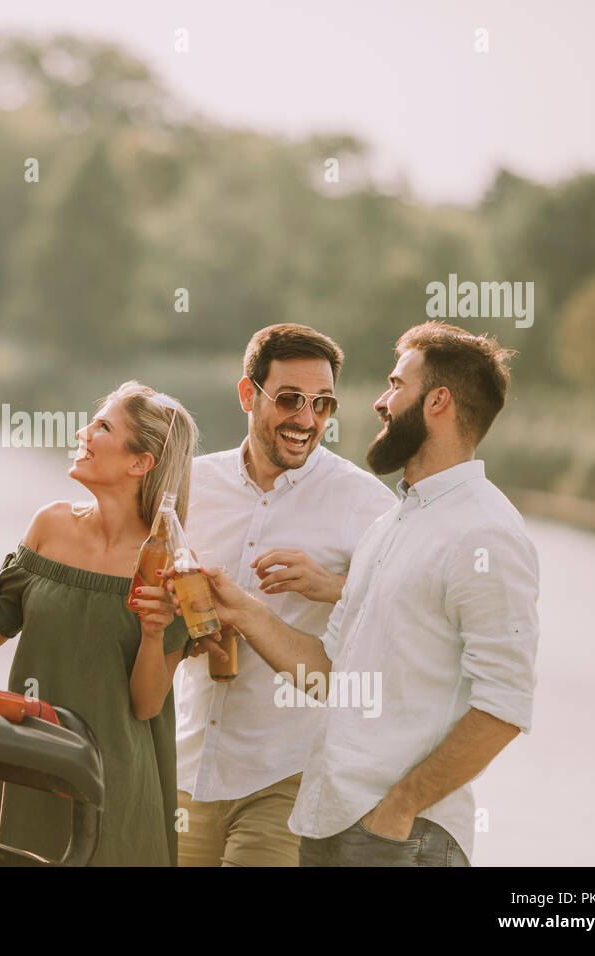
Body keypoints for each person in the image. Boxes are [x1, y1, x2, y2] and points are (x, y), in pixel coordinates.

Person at [177, 321, 540, 867]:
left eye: (396, 384)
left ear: (437, 401)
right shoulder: (395, 524)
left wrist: (399, 809)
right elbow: (331, 672)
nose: (379, 401)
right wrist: (244, 612)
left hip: (404, 833)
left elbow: (506, 704)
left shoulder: (485, 530)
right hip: (337, 819)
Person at [0, 382, 197, 865]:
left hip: (113, 791)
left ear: (140, 463)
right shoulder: (50, 525)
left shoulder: (171, 564)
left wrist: (155, 632)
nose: (83, 432)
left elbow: (146, 706)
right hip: (30, 769)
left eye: (103, 427)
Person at [173, 324, 395, 867]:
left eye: (323, 404)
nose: (307, 419)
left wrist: (336, 587)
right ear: (249, 395)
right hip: (184, 762)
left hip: (285, 777)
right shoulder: (189, 485)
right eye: (291, 399)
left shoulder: (364, 500)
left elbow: (409, 614)